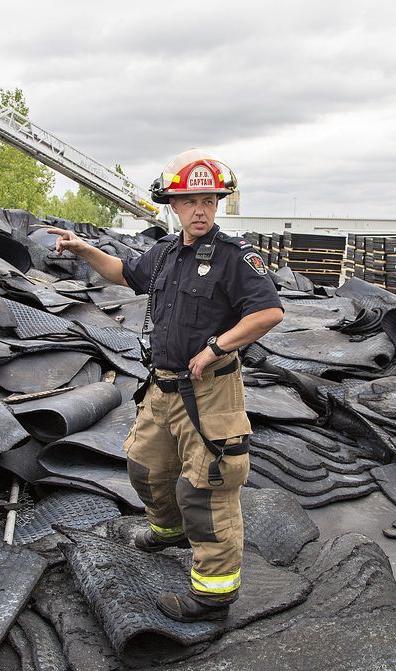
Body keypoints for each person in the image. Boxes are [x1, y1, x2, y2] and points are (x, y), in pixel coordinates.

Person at [48, 148, 284, 622]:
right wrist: (83, 248)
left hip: (210, 392)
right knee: (145, 466)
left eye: (209, 201)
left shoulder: (237, 258)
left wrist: (216, 347)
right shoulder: (164, 255)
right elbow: (123, 273)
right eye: (190, 201)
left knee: (207, 488)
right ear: (172, 206)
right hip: (162, 388)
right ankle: (169, 530)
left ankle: (213, 594)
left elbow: (268, 312)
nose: (201, 210)